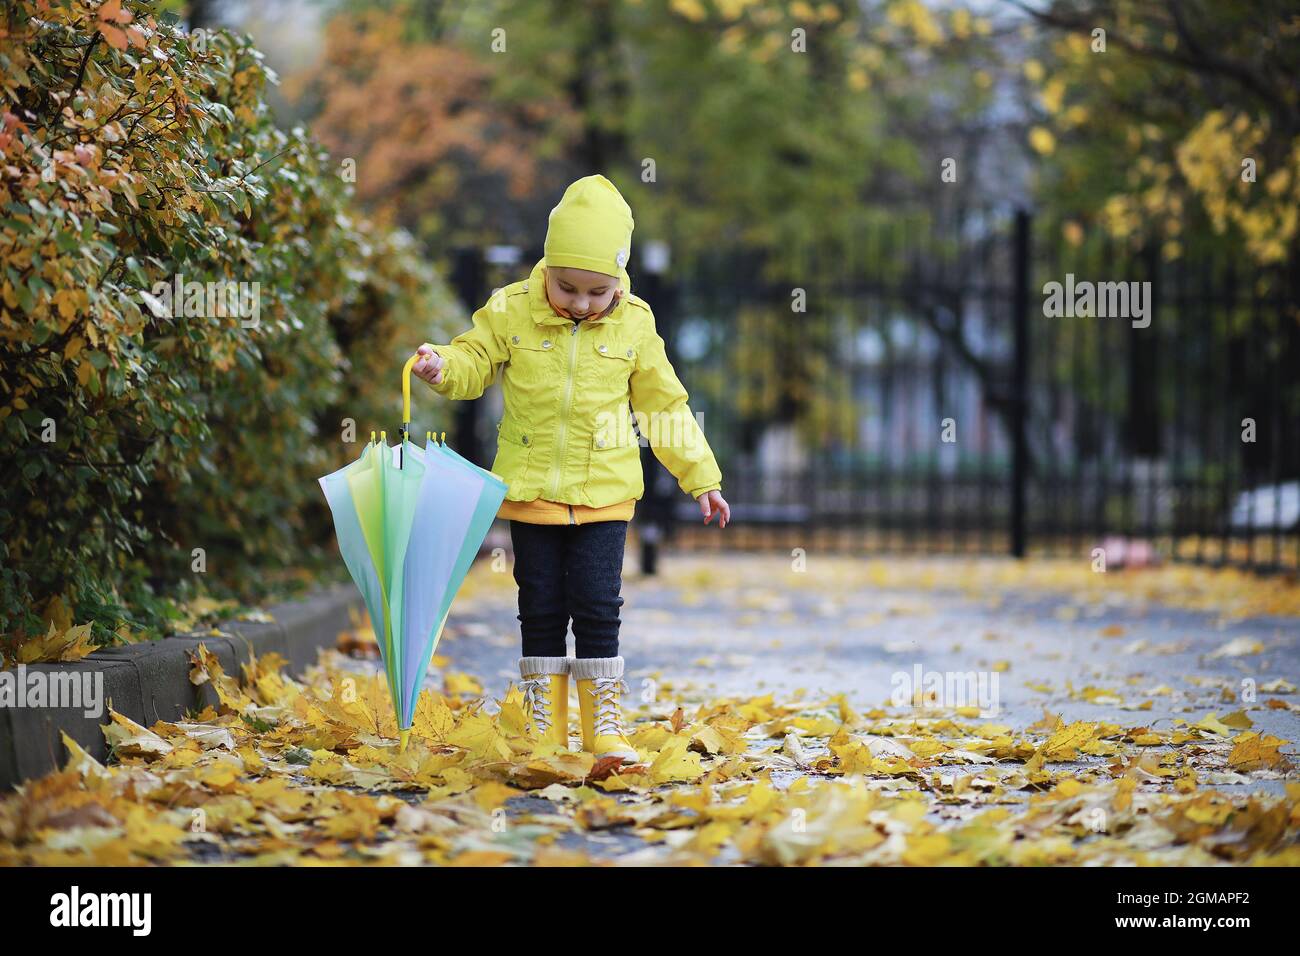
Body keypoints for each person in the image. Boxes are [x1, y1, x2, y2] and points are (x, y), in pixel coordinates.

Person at [412, 174, 730, 762]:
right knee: (539, 602)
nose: (581, 303)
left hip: (604, 495)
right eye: (568, 288)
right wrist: (443, 367)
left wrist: (701, 478)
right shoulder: (511, 309)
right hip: (530, 492)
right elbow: (474, 359)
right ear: (547, 268)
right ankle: (544, 727)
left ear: (618, 280)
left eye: (596, 291)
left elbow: (664, 406)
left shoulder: (635, 323)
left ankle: (603, 726)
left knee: (596, 602)